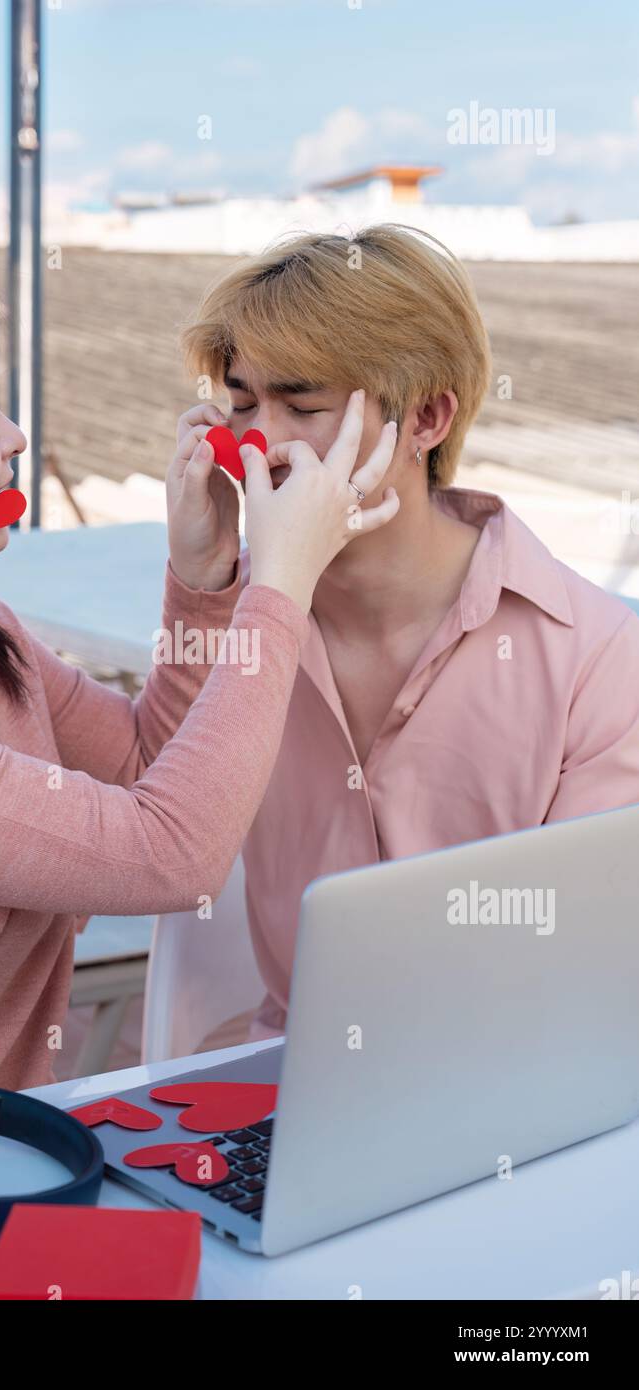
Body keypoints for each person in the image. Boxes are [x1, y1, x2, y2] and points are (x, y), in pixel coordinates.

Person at [0, 235, 400, 1088]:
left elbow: (147, 766)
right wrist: (282, 586)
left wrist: (204, 574)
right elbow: (173, 852)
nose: (16, 438)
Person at [181, 224, 639, 1040]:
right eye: (243, 402)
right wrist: (204, 582)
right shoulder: (227, 612)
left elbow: (589, 965)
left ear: (425, 419)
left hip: (515, 1073)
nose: (259, 444)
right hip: (290, 1065)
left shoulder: (596, 657)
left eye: (304, 404)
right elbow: (151, 830)